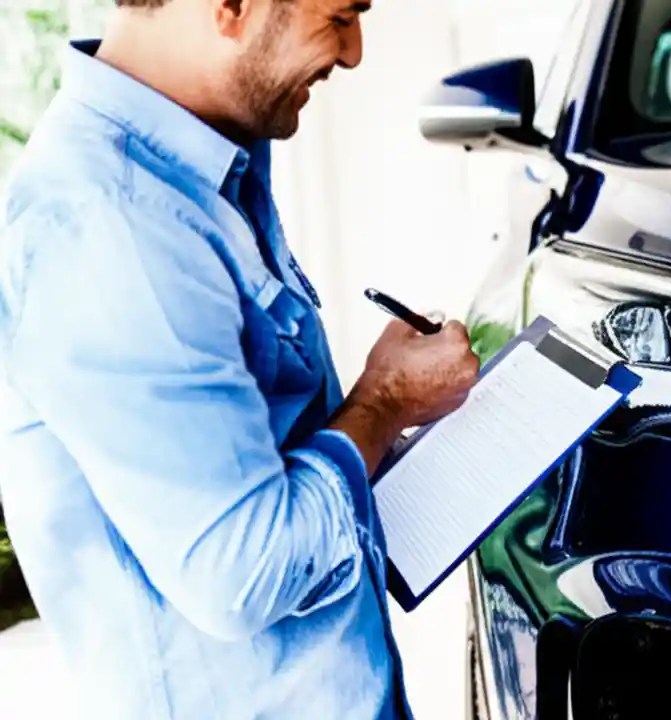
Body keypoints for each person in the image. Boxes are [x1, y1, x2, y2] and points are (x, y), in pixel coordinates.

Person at [0, 0, 480, 717]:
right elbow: (244, 571)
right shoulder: (113, 227)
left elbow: (264, 461)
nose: (352, 54)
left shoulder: (203, 167)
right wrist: (385, 403)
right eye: (341, 16)